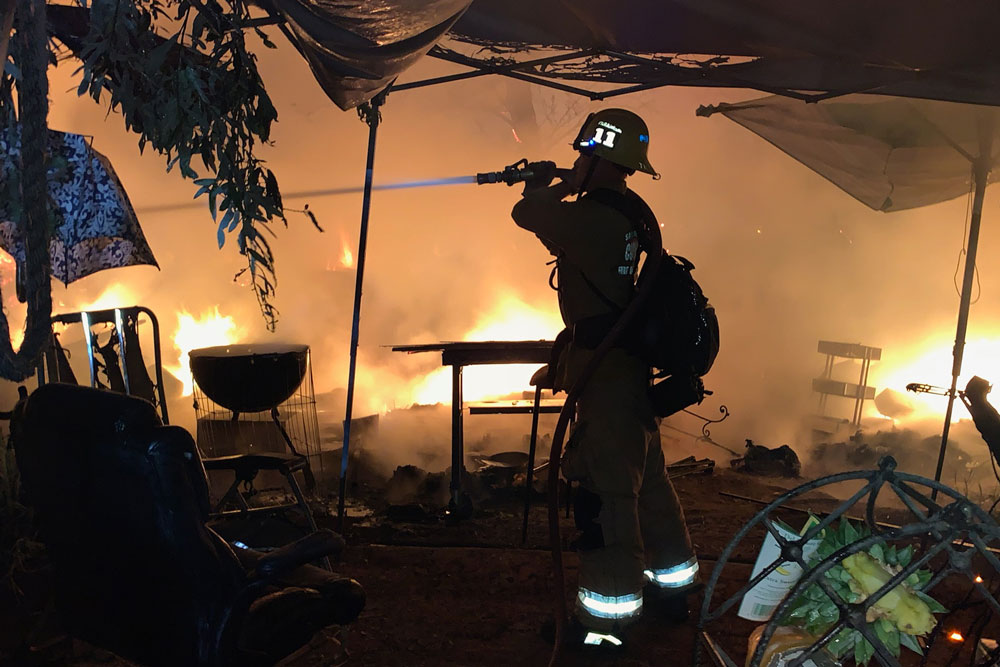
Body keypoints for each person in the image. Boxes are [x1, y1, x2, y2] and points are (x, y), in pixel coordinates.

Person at [510, 109, 698, 649]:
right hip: (626, 365)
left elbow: (526, 214)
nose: (575, 163)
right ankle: (672, 588)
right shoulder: (629, 213)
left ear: (596, 158)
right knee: (648, 483)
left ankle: (604, 628)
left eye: (580, 156)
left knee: (605, 493)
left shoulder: (592, 215)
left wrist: (547, 184)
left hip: (608, 371)